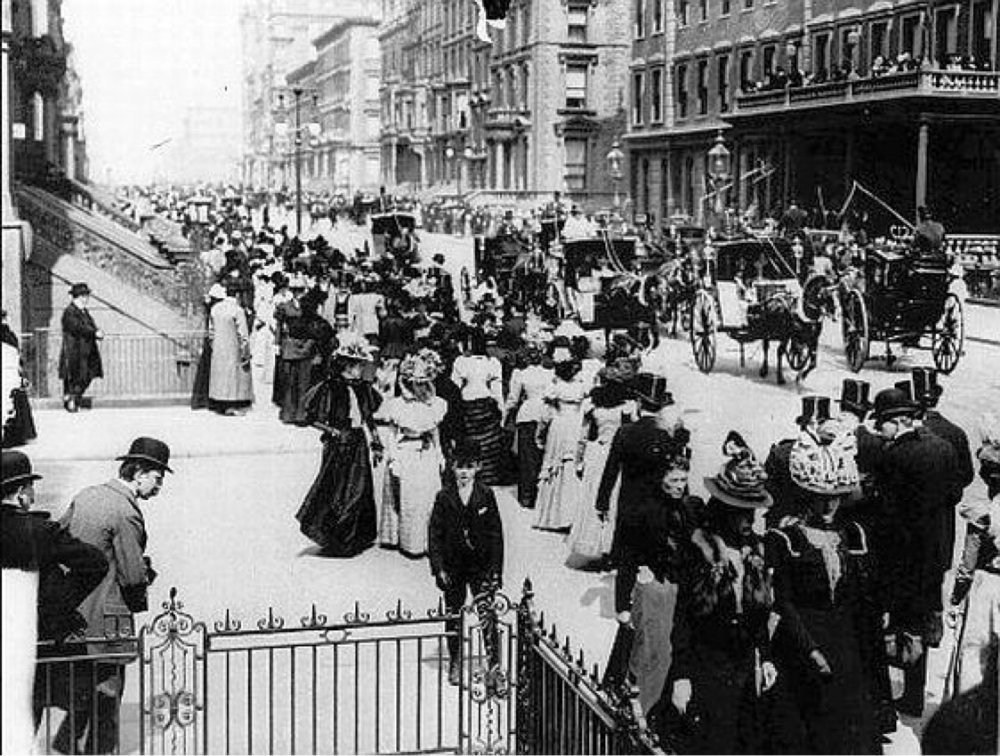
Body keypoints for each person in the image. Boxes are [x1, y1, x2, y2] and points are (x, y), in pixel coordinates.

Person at [765, 431, 882, 754]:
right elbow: (784, 601)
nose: (829, 505)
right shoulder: (785, 538)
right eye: (820, 497)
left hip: (845, 643)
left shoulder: (853, 534)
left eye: (836, 497)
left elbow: (860, 598)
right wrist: (811, 649)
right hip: (802, 641)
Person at [663, 432, 776, 754]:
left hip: (742, 668)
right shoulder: (701, 551)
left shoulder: (756, 550)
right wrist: (681, 677)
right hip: (705, 665)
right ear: (724, 511)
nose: (749, 520)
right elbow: (683, 620)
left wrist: (766, 657)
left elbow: (760, 615)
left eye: (752, 513)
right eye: (742, 513)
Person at [59, 436, 172, 754]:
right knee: (109, 689)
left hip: (76, 612)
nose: (159, 487)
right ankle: (101, 751)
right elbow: (132, 576)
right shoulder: (126, 512)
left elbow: (61, 541)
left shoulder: (86, 495)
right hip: (110, 617)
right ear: (139, 474)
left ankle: (66, 742)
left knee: (83, 685)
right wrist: (144, 578)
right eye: (157, 479)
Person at [1, 451, 108, 755]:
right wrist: (58, 603)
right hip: (45, 635)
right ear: (21, 493)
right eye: (31, 488)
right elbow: (95, 563)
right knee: (78, 693)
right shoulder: (40, 531)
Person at [869, 387, 959, 718]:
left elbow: (887, 516)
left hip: (902, 559)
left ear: (896, 421)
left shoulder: (894, 457)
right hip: (935, 556)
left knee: (894, 625)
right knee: (920, 624)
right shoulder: (944, 448)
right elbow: (954, 494)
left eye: (881, 423)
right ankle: (914, 695)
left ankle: (887, 698)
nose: (879, 430)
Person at [613, 453, 702, 716]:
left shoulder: (687, 510)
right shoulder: (641, 510)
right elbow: (627, 559)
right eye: (674, 480)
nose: (679, 486)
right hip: (653, 593)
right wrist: (622, 606)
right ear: (660, 479)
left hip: (680, 591)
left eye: (683, 480)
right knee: (648, 656)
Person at [295, 333, 384, 557]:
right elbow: (310, 418)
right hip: (337, 445)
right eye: (358, 365)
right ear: (347, 365)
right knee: (335, 491)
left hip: (358, 443)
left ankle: (354, 538)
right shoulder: (330, 387)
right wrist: (333, 431)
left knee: (359, 490)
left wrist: (376, 442)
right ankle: (335, 539)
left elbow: (368, 417)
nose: (361, 370)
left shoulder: (363, 388)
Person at [428, 440, 505, 686]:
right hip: (453, 566)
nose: (463, 472)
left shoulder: (486, 495)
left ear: (478, 467)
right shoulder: (443, 497)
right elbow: (434, 534)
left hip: (480, 566)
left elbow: (496, 535)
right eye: (459, 466)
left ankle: (494, 665)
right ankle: (455, 661)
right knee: (454, 614)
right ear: (452, 467)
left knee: (487, 614)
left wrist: (495, 571)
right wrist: (439, 568)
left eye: (469, 467)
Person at [945, 416, 1000, 698]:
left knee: (974, 655)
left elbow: (968, 561)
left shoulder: (983, 512)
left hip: (986, 585)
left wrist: (957, 596)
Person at [376, 351, 447, 558]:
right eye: (417, 384)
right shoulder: (398, 405)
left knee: (429, 497)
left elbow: (434, 431)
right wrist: (393, 458)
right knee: (410, 499)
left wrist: (440, 454)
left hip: (426, 452)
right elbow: (391, 434)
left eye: (425, 383)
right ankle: (408, 542)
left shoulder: (435, 404)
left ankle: (428, 541)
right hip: (405, 451)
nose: (422, 388)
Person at [566, 374, 636, 565]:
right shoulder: (627, 408)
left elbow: (583, 437)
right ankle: (610, 545)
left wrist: (579, 462)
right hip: (617, 454)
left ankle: (594, 543)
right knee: (614, 498)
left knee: (593, 496)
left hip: (597, 454)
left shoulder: (593, 407)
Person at [533, 341, 587, 532]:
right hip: (576, 425)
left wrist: (539, 434)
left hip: (559, 425)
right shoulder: (581, 388)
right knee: (572, 465)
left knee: (555, 465)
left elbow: (546, 415)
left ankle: (554, 515)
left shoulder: (555, 387)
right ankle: (571, 515)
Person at [451, 328, 505, 485]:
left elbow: (455, 387)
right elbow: (497, 391)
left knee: (470, 441)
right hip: (485, 404)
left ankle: (470, 473)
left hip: (468, 403)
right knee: (488, 443)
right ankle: (487, 476)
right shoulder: (492, 363)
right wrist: (502, 410)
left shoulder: (461, 361)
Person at [504, 343, 554, 509]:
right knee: (544, 454)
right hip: (545, 414)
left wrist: (505, 416)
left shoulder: (520, 374)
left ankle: (527, 496)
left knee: (527, 458)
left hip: (527, 415)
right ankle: (543, 495)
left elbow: (513, 399)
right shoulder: (550, 374)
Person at [208, 282, 254, 416]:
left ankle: (219, 403)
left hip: (218, 347)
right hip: (233, 348)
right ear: (238, 295)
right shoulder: (237, 310)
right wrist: (246, 352)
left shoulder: (215, 309)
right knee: (233, 378)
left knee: (220, 376)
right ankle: (232, 405)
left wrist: (214, 345)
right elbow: (243, 334)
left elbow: (211, 331)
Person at [58, 282, 104, 413]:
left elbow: (89, 326)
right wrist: (94, 332)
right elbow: (77, 327)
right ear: (77, 297)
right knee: (78, 376)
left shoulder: (83, 311)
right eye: (84, 296)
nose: (86, 299)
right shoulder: (70, 312)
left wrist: (96, 332)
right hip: (75, 351)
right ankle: (72, 400)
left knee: (87, 375)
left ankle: (72, 399)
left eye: (86, 296)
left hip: (86, 350)